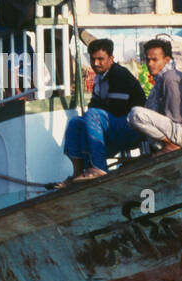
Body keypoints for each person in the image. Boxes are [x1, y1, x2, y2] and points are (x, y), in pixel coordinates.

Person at [61, 38, 147, 180]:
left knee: (92, 115)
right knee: (75, 123)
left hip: (133, 128)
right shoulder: (99, 78)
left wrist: (99, 107)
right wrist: (100, 106)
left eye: (101, 59)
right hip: (113, 125)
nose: (95, 64)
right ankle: (78, 172)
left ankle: (99, 168)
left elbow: (117, 109)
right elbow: (98, 106)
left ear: (111, 58)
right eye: (93, 59)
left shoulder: (119, 75)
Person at [127, 38, 182, 152]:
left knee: (136, 114)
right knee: (131, 123)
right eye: (148, 60)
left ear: (167, 60)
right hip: (173, 129)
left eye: (155, 60)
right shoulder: (160, 79)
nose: (150, 64)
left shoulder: (170, 77)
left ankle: (171, 145)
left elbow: (175, 118)